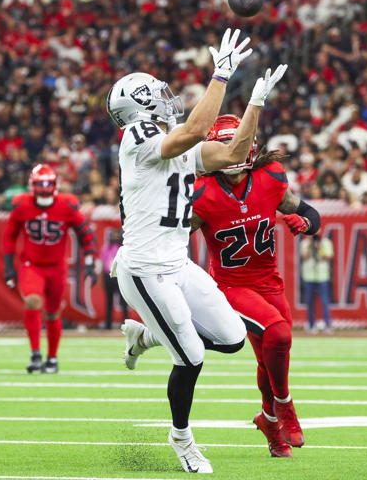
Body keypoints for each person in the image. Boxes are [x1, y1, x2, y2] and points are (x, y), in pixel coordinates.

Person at [107, 28, 280, 474]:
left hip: (177, 264)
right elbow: (197, 130)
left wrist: (256, 102)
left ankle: (146, 336)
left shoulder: (171, 139)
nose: (166, 98)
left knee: (232, 338)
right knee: (191, 356)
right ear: (139, 105)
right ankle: (181, 437)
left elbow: (235, 153)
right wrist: (221, 75)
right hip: (145, 269)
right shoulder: (139, 136)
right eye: (156, 94)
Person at [190, 111, 320, 458]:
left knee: (268, 360)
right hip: (231, 287)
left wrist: (304, 224)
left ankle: (270, 426)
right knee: (279, 334)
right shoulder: (201, 193)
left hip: (269, 283)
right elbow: (170, 236)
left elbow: (311, 214)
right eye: (224, 146)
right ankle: (285, 406)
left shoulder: (270, 177)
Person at [3, 164, 97, 373]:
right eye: (40, 184)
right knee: (32, 301)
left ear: (55, 185)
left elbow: (85, 232)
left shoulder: (66, 205)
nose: (44, 188)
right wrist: (8, 267)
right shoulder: (22, 206)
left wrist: (91, 260)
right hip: (32, 265)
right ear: (32, 185)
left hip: (56, 266)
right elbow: (10, 235)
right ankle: (36, 354)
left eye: (48, 184)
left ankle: (52, 358)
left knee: (53, 313)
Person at [300, 232, 334, 332]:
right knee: (309, 302)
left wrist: (320, 248)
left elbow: (328, 257)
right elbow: (304, 257)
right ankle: (311, 325)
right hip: (309, 276)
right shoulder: (305, 243)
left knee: (325, 301)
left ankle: (327, 325)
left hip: (322, 276)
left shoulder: (326, 242)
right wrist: (310, 246)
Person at [100, 228, 129, 330]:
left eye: (116, 235)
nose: (114, 237)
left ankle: (125, 323)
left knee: (123, 301)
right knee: (109, 301)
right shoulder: (106, 247)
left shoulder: (122, 248)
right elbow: (103, 264)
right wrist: (102, 279)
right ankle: (108, 324)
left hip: (119, 276)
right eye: (113, 235)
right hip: (108, 276)